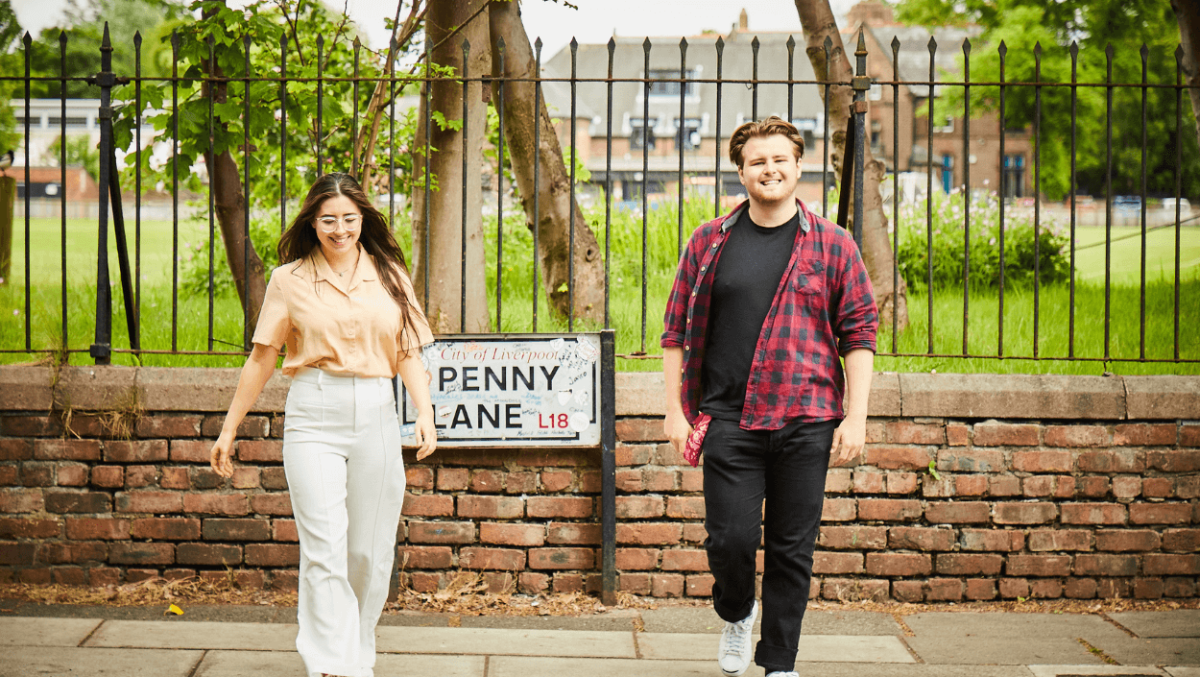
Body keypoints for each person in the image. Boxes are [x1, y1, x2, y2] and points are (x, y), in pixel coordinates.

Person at [662, 117, 878, 677]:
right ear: (741, 172)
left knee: (792, 548)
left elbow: (859, 334)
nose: (770, 170)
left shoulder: (834, 244)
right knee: (729, 540)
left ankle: (780, 662)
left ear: (798, 166)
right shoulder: (709, 242)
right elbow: (674, 332)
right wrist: (672, 410)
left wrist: (855, 418)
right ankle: (737, 612)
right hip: (728, 418)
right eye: (758, 161)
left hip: (807, 419)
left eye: (780, 159)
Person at [209, 172, 437, 677]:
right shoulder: (288, 279)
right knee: (324, 547)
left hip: (377, 412)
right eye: (329, 219)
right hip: (314, 412)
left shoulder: (391, 274)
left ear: (364, 220)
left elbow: (407, 351)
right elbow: (262, 358)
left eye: (350, 219)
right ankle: (330, 664)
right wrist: (229, 428)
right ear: (313, 221)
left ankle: (357, 649)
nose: (340, 229)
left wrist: (424, 411)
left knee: (367, 551)